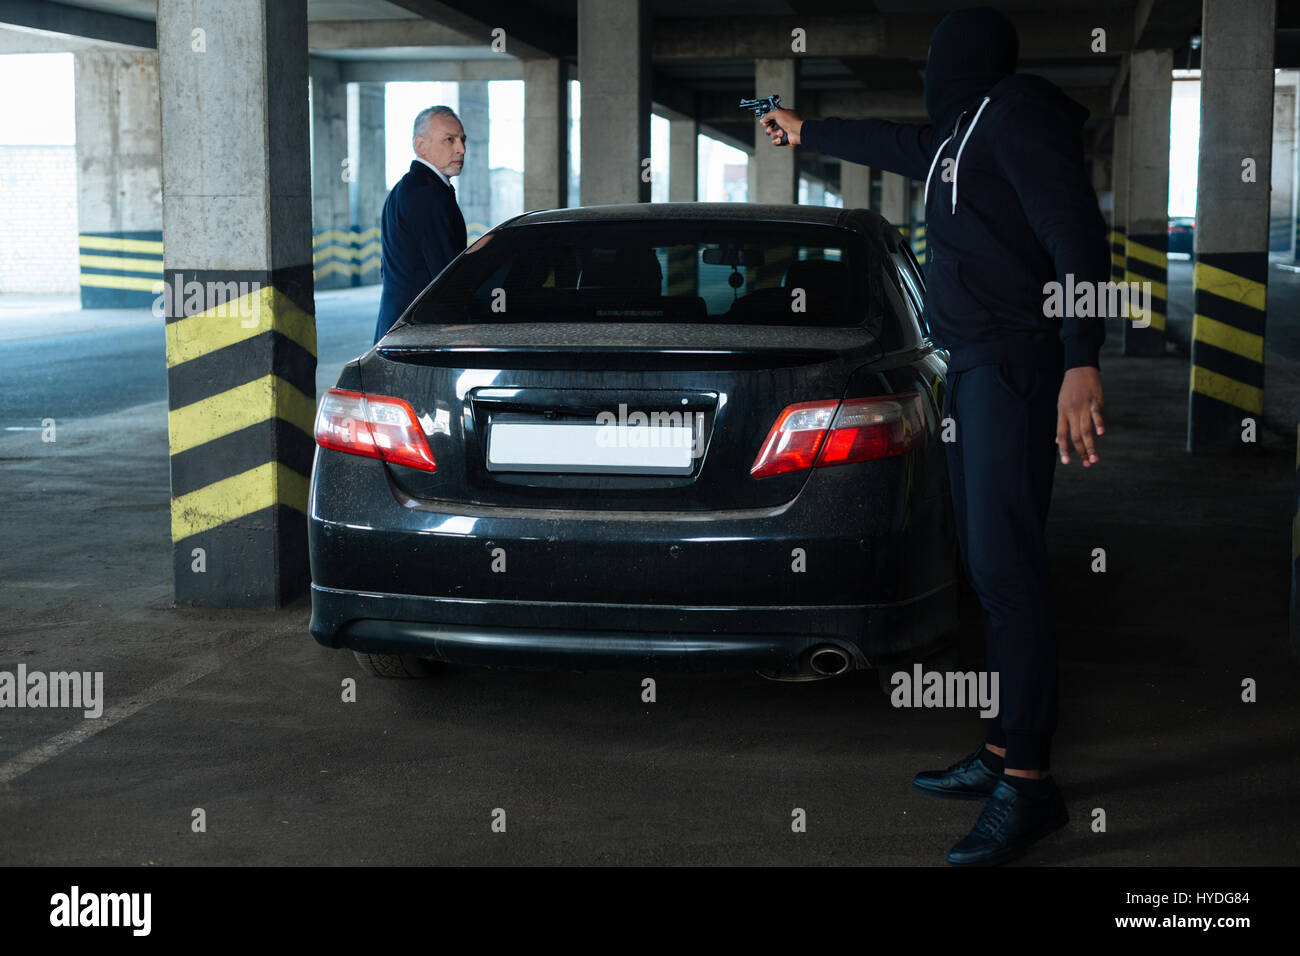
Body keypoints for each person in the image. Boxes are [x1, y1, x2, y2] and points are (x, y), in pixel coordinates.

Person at [760, 6, 1108, 866]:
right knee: (986, 574)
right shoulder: (960, 137)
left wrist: (1083, 360)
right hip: (974, 369)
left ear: (967, 64)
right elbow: (896, 144)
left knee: (1010, 572)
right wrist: (808, 131)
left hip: (1017, 368)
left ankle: (1030, 787)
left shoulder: (1017, 113)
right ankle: (1001, 752)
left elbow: (1077, 235)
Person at [374, 105, 468, 344]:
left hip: (399, 331)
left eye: (462, 139)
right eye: (449, 140)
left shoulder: (406, 188)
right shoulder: (428, 195)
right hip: (417, 337)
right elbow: (447, 276)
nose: (461, 149)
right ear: (421, 146)